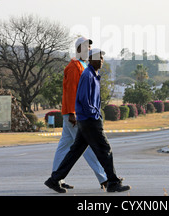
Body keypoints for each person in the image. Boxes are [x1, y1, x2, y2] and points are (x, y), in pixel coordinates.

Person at [45, 48, 131, 193]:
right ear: (91, 59)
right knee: (105, 149)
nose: (101, 60)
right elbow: (84, 99)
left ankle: (54, 180)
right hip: (90, 120)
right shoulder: (88, 75)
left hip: (87, 120)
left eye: (103, 58)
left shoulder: (93, 74)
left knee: (75, 151)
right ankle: (113, 182)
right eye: (99, 58)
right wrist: (95, 114)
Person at [49, 37, 107, 190]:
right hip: (74, 115)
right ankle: (104, 178)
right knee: (86, 147)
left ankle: (56, 178)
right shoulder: (75, 66)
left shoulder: (82, 65)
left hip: (74, 114)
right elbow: (71, 92)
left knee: (64, 146)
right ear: (80, 48)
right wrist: (72, 113)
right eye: (87, 47)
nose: (89, 49)